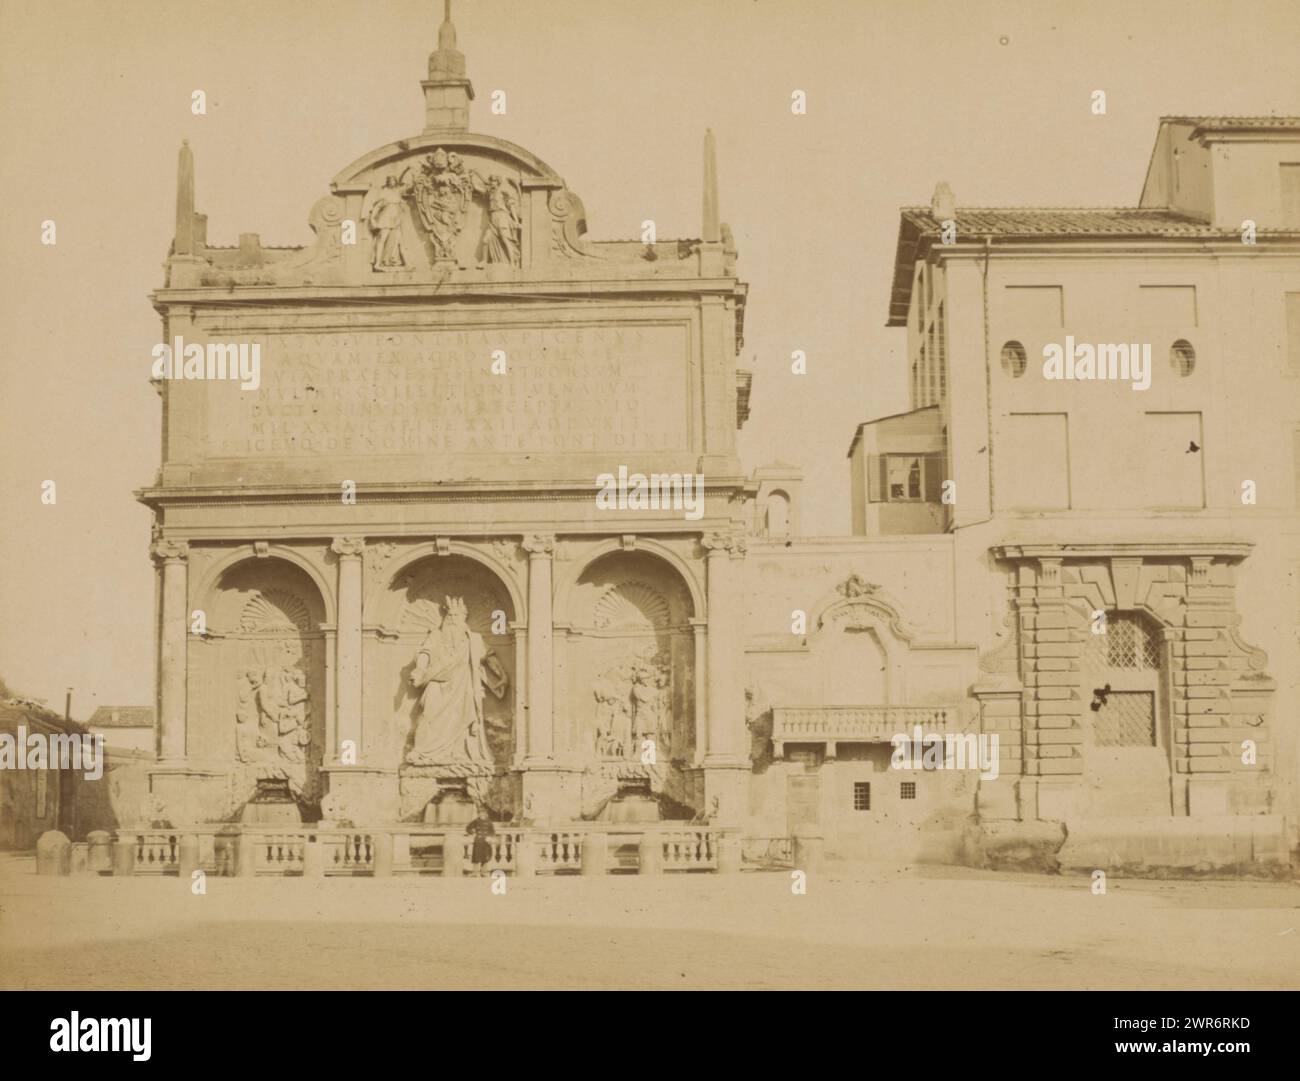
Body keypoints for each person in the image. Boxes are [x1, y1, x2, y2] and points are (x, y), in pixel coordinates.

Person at [465, 807, 496, 877]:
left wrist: (490, 837)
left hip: (486, 842)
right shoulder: (476, 821)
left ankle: (483, 872)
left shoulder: (489, 822)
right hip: (478, 841)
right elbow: (468, 828)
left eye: (483, 813)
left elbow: (493, 832)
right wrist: (472, 832)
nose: (482, 814)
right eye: (480, 813)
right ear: (478, 814)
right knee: (476, 857)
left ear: (486, 814)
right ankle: (475, 872)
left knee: (485, 857)